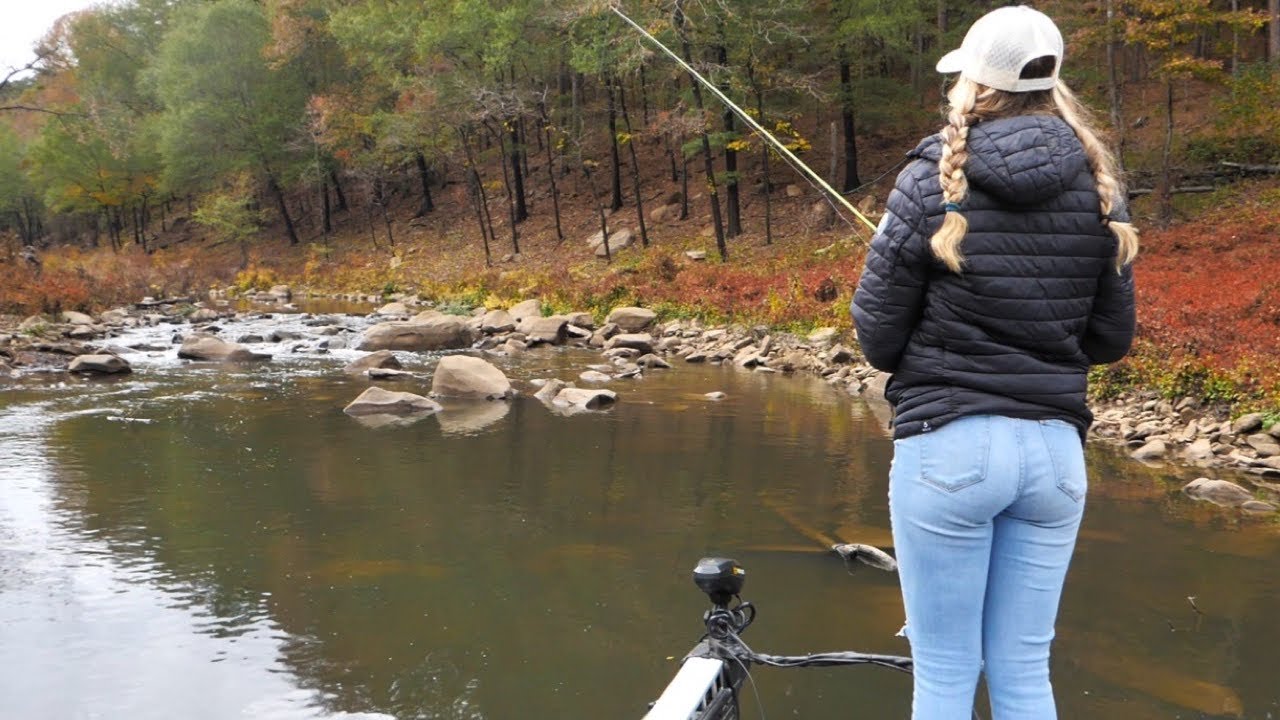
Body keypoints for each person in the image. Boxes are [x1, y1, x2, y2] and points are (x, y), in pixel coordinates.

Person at [850, 6, 1137, 720]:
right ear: (1050, 81)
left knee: (945, 674)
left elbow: (878, 338)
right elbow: (1110, 339)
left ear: (974, 83)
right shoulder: (1099, 186)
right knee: (1024, 673)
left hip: (948, 447)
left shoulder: (929, 180)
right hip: (1054, 460)